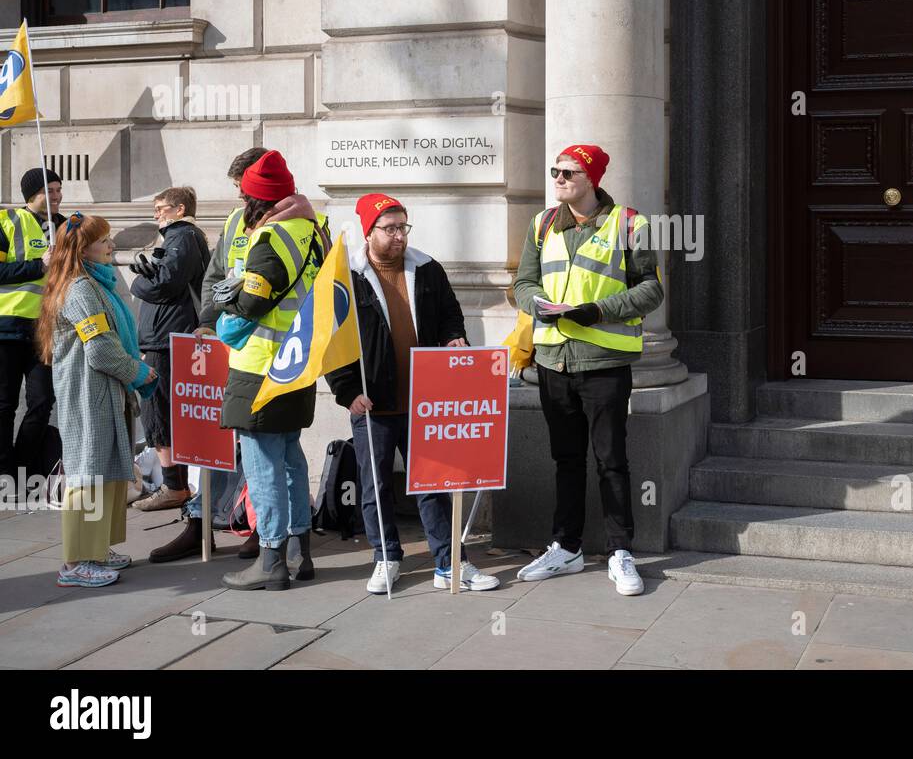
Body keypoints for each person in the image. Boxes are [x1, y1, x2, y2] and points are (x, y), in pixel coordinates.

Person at [325, 194, 499, 594]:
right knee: (376, 485)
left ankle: (448, 563)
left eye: (403, 227)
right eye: (390, 228)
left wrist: (455, 338)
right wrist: (347, 390)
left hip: (426, 400)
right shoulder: (345, 277)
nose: (399, 235)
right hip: (372, 402)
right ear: (369, 232)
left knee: (433, 483)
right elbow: (331, 339)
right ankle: (386, 557)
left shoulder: (427, 269)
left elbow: (451, 315)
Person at [511, 145, 663, 596]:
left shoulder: (630, 223)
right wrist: (534, 303)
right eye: (555, 170)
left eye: (568, 172)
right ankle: (566, 546)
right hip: (552, 361)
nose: (558, 178)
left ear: (591, 178)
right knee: (566, 460)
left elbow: (651, 290)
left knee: (611, 460)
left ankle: (620, 551)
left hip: (604, 364)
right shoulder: (541, 224)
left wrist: (595, 310)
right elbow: (523, 281)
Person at [217, 150, 327, 590]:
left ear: (254, 199)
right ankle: (301, 552)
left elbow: (252, 302)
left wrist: (230, 297)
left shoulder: (272, 237)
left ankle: (271, 559)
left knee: (262, 463)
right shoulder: (314, 231)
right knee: (291, 460)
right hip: (296, 363)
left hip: (259, 365)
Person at [36, 213, 158, 587]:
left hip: (103, 391)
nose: (111, 246)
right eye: (103, 241)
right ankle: (75, 563)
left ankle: (97, 548)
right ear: (81, 249)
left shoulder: (92, 283)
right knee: (88, 475)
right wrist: (139, 373)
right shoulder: (81, 290)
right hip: (88, 395)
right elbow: (101, 351)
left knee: (105, 471)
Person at [130, 187, 211, 512]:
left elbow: (167, 284)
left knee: (158, 411)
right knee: (163, 411)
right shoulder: (182, 237)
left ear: (180, 209)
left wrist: (137, 284)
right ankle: (175, 484)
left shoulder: (182, 235)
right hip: (166, 336)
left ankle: (174, 487)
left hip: (166, 340)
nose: (156, 214)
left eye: (161, 207)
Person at [0, 168, 66, 483]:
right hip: (7, 327)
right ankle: (5, 474)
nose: (56, 196)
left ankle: (22, 469)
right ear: (32, 195)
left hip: (45, 329)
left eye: (58, 190)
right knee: (4, 405)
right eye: (49, 191)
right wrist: (38, 266)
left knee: (42, 400)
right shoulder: (7, 222)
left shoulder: (65, 226)